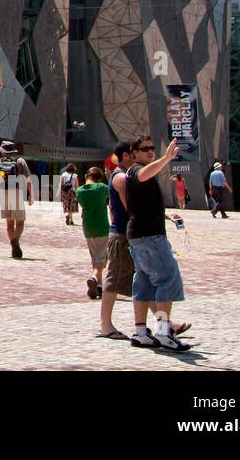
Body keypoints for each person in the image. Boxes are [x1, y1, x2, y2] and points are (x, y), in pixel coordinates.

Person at [124, 136, 192, 350]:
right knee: (166, 281)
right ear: (134, 153)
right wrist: (166, 158)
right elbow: (143, 175)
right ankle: (164, 332)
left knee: (143, 283)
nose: (149, 151)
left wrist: (165, 217)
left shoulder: (141, 171)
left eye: (152, 148)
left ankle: (141, 332)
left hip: (141, 235)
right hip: (149, 237)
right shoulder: (136, 170)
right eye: (144, 149)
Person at [98, 141, 136, 340]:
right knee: (114, 277)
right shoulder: (121, 177)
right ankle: (105, 323)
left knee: (146, 277)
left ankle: (164, 321)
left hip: (126, 233)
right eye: (137, 151)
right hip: (122, 234)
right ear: (127, 155)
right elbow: (131, 207)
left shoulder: (123, 175)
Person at [0, 141, 33, 258]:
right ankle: (16, 242)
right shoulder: (20, 161)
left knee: (9, 223)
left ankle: (14, 247)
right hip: (17, 192)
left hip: (3, 193)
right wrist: (31, 195)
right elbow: (28, 180)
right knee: (20, 222)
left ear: (2, 151)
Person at [77, 167, 110, 300]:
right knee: (101, 259)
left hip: (88, 227)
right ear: (100, 178)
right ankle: (94, 277)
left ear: (86, 176)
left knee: (95, 256)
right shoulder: (101, 187)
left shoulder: (79, 191)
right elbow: (111, 191)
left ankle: (99, 287)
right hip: (101, 226)